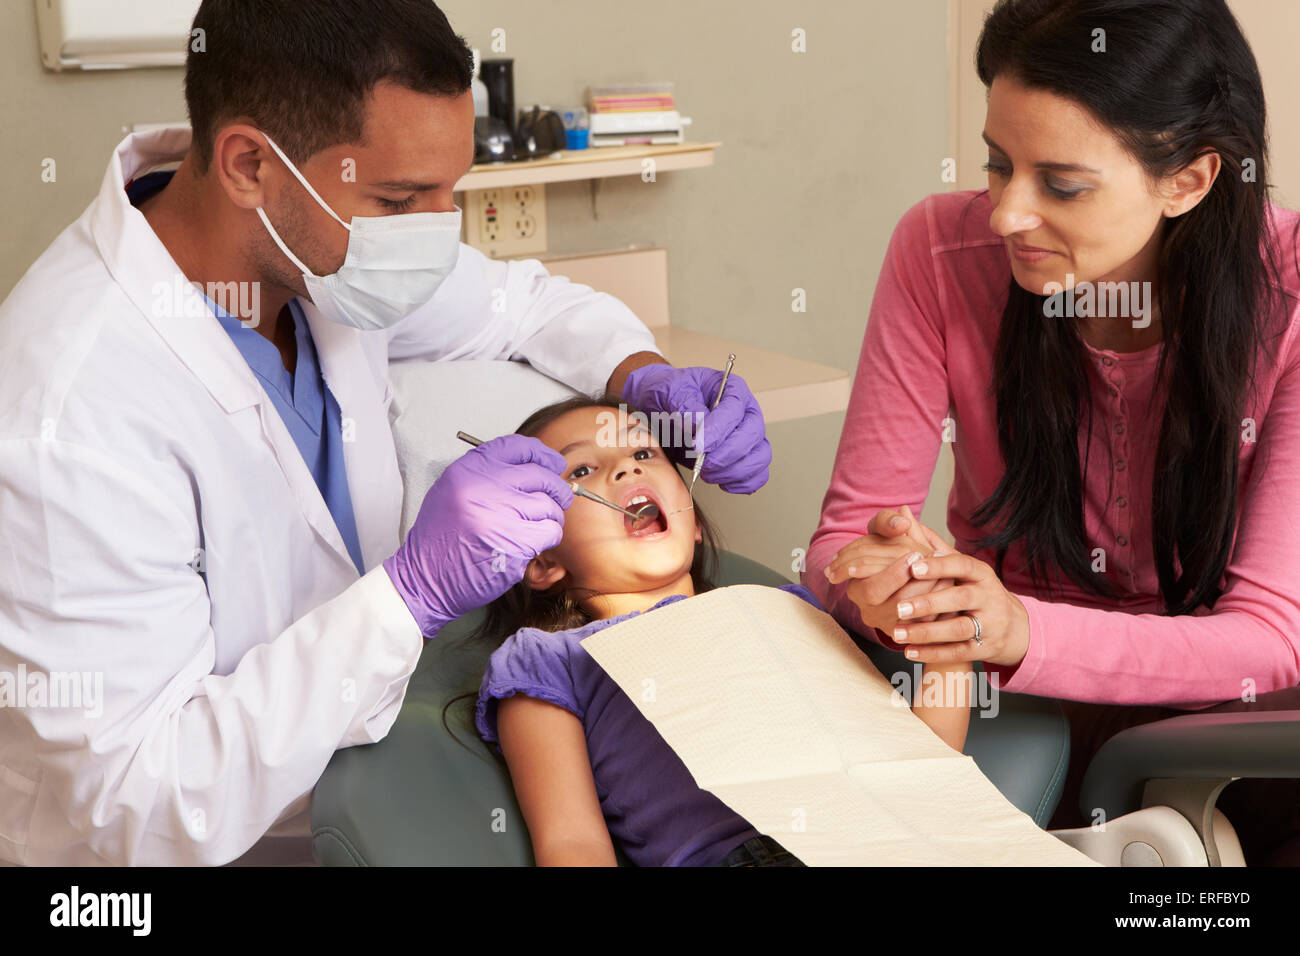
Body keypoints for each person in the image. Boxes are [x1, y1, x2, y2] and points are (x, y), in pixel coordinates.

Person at [0, 0, 771, 866]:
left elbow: (525, 307)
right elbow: (130, 809)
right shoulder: (65, 413)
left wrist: (640, 376)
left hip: (369, 784)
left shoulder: (317, 258)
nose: (434, 234)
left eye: (449, 191)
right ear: (250, 164)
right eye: (402, 198)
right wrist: (408, 595)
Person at [804, 0, 1300, 864]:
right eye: (999, 166)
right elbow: (843, 540)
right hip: (1005, 711)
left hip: (1231, 722)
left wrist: (1016, 630)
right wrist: (889, 588)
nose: (1005, 216)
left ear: (1188, 179)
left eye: (1061, 185)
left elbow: (1266, 638)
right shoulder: (935, 250)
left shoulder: (1288, 293)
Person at [456, 396, 969, 866]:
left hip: (896, 836)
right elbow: (572, 841)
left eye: (644, 451)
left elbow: (921, 768)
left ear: (694, 519)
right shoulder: (549, 659)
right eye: (584, 468)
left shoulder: (785, 609)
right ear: (543, 559)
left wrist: (947, 630)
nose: (626, 467)